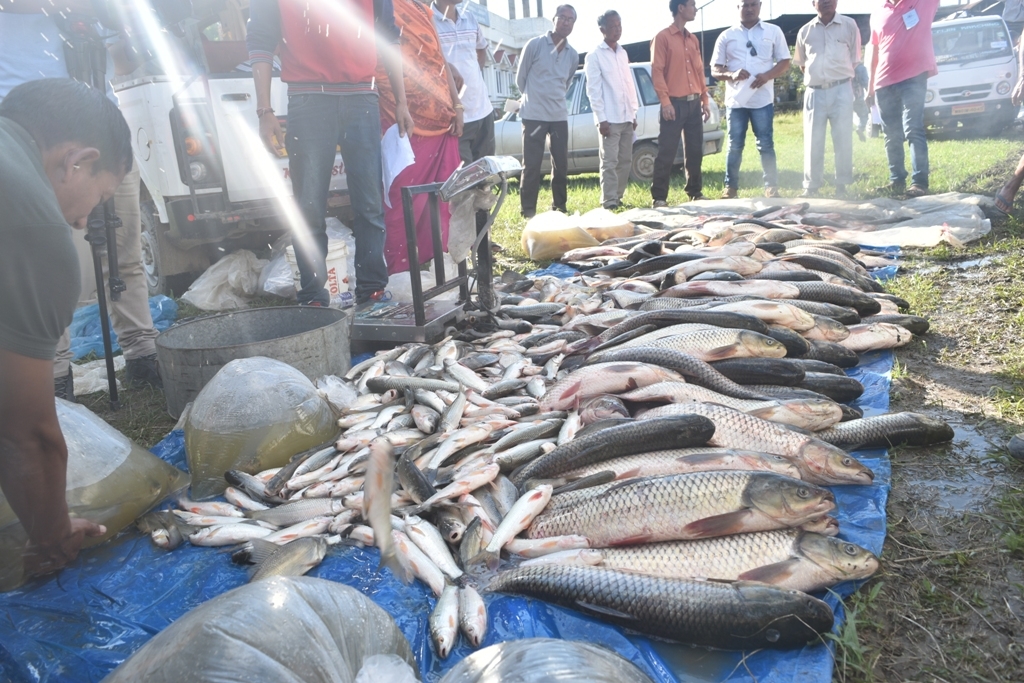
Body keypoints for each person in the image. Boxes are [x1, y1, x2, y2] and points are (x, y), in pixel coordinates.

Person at [0, 78, 131, 578]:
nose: (84, 222)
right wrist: (52, 537)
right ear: (76, 161)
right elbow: (25, 432)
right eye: (100, 196)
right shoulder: (39, 229)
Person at [0, 4, 163, 401]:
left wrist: (125, 30)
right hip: (38, 145)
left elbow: (126, 62)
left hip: (103, 140)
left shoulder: (90, 12)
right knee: (48, 266)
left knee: (124, 252)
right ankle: (52, 374)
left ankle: (142, 351)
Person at [247, 0, 414, 306]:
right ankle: (312, 297)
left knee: (369, 204)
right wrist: (264, 109)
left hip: (362, 96)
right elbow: (260, 37)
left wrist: (401, 101)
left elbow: (387, 36)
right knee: (309, 208)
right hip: (307, 99)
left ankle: (373, 290)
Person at [376, 0, 464, 274]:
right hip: (401, 116)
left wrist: (457, 105)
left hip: (442, 118)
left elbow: (439, 60)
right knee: (402, 198)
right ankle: (400, 271)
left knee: (444, 197)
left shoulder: (422, 10)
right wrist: (402, 102)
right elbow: (382, 54)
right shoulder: (382, 6)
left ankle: (438, 264)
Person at [711, 1, 791, 199]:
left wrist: (768, 75)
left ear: (760, 6)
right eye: (744, 5)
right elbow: (715, 69)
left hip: (762, 100)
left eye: (753, 4)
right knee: (735, 145)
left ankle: (771, 187)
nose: (749, 8)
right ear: (737, 7)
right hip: (736, 102)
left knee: (765, 144)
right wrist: (732, 74)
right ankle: (730, 188)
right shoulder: (726, 35)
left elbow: (785, 61)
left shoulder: (773, 31)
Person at [867, 0, 939, 198]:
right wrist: (870, 86)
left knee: (913, 129)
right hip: (883, 81)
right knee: (890, 134)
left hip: (913, 78)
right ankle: (896, 180)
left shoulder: (923, 3)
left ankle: (919, 183)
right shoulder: (878, 10)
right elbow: (875, 50)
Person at [515, 4, 579, 218]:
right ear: (554, 19)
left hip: (558, 116)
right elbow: (520, 79)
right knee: (531, 166)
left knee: (561, 165)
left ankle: (559, 208)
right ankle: (528, 211)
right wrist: (534, 99)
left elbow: (566, 83)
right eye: (562, 17)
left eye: (571, 19)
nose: (566, 22)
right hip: (533, 115)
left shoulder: (573, 55)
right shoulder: (535, 45)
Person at [793, 0, 861, 199]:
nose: (825, 2)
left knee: (842, 138)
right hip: (815, 91)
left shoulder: (849, 25)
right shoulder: (805, 31)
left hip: (841, 89)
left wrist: (835, 77)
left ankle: (842, 186)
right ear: (813, 4)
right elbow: (802, 65)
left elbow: (855, 59)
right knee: (813, 140)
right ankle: (811, 186)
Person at [649, 0, 711, 208]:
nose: (695, 8)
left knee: (695, 150)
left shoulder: (693, 39)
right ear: (680, 8)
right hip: (673, 104)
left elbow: (699, 72)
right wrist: (665, 102)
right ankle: (659, 197)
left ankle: (695, 191)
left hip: (694, 103)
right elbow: (657, 71)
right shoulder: (663, 37)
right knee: (666, 152)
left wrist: (705, 99)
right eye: (692, 4)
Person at [584, 10, 639, 210]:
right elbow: (593, 90)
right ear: (602, 29)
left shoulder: (623, 53)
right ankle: (609, 201)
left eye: (619, 25)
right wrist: (601, 119)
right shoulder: (595, 55)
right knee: (609, 161)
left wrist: (633, 113)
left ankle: (618, 197)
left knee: (625, 160)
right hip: (610, 119)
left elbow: (629, 85)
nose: (617, 29)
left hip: (626, 116)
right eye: (613, 26)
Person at [433, 0, 495, 165]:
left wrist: (474, 74)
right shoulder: (427, 21)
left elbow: (481, 49)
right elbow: (422, 63)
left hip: (483, 111)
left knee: (485, 179)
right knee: (462, 182)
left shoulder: (470, 18)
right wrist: (447, 68)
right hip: (454, 118)